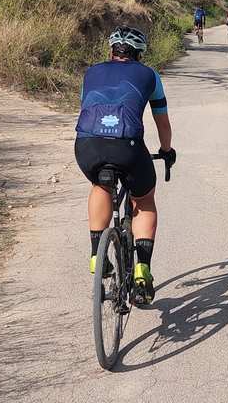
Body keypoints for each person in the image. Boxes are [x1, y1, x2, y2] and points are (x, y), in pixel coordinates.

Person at [74, 26, 176, 305]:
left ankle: (96, 254)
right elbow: (162, 122)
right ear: (139, 54)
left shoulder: (91, 72)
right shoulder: (149, 75)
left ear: (111, 51)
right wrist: (166, 151)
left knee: (100, 185)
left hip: (88, 145)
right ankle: (142, 269)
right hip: (126, 146)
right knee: (144, 200)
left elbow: (87, 108)